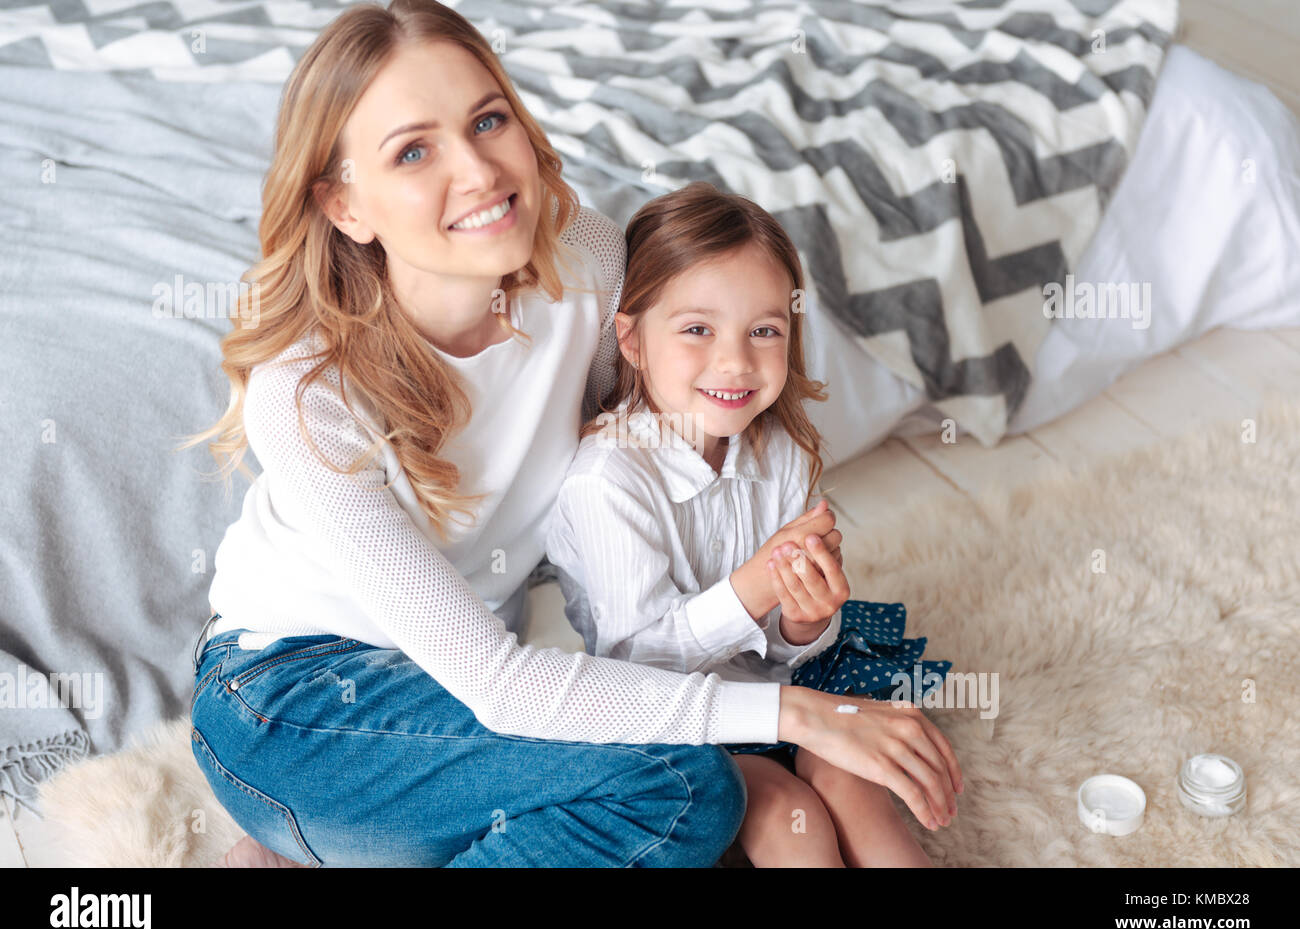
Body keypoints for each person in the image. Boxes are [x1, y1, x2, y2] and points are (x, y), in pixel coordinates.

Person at [179, 0, 962, 867]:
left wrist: (777, 620)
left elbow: (662, 424)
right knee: (679, 790)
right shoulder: (306, 394)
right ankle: (324, 831)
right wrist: (794, 713)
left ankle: (348, 851)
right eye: (413, 150)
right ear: (344, 203)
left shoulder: (585, 261)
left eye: (487, 119)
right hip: (291, 701)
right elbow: (498, 684)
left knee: (695, 791)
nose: (477, 170)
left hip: (465, 695)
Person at [546, 182, 955, 866]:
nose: (736, 361)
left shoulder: (783, 453)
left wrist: (804, 617)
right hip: (675, 715)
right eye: (698, 329)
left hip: (779, 686)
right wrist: (754, 587)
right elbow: (634, 662)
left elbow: (790, 646)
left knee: (852, 779)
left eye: (764, 330)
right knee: (787, 812)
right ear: (634, 340)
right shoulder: (607, 479)